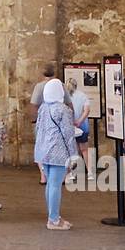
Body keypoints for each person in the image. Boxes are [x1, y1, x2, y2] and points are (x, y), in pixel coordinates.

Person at [35, 78, 77, 230]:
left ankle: (53, 216)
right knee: (55, 185)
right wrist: (73, 154)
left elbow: (38, 129)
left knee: (50, 185)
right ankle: (53, 220)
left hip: (44, 151)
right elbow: (68, 132)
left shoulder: (43, 108)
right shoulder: (63, 109)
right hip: (58, 151)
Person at [66, 76, 91, 180]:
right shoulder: (83, 95)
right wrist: (80, 120)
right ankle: (90, 172)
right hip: (82, 125)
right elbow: (86, 110)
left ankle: (74, 172)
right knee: (84, 149)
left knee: (73, 150)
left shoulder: (65, 97)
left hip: (69, 125)